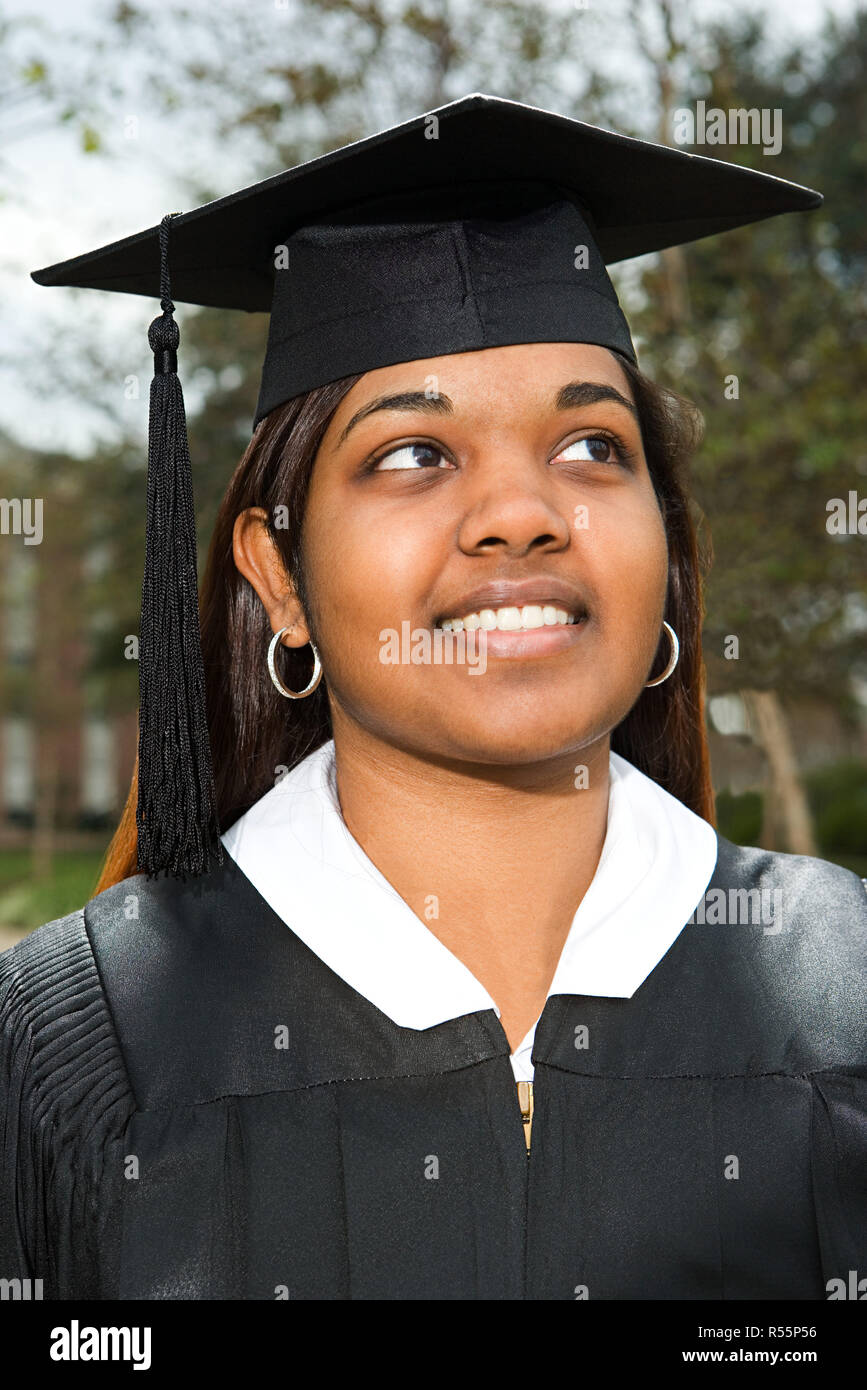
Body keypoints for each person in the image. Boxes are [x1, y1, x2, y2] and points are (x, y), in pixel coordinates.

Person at [1, 93, 865, 1301]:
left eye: (592, 448)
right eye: (414, 454)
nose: (522, 511)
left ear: (664, 547)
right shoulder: (74, 1037)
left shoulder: (847, 990)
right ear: (278, 576)